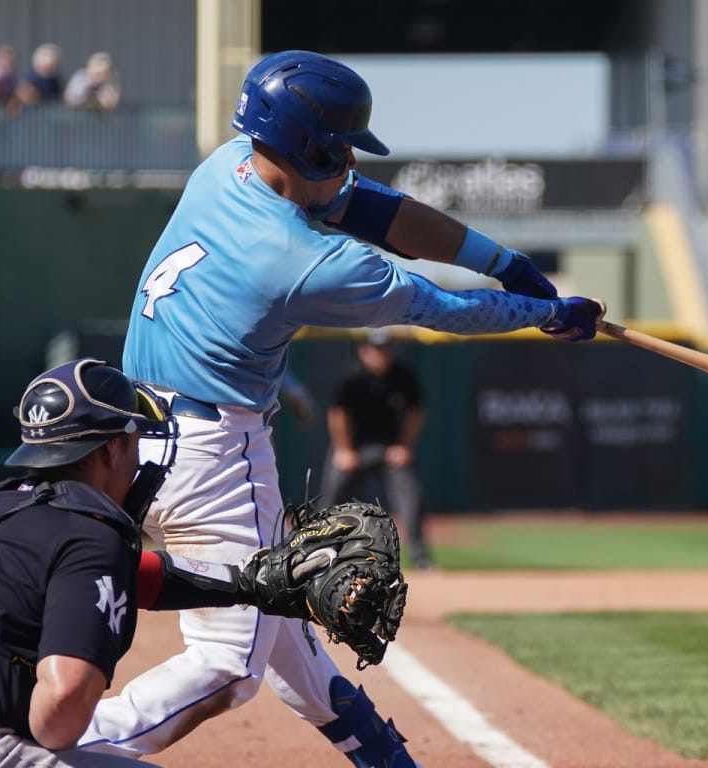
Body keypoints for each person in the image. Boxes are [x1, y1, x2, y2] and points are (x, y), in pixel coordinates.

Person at [86, 50, 604, 766]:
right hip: (213, 453)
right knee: (229, 667)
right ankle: (50, 749)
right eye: (339, 147)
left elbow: (378, 210)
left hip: (134, 437)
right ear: (309, 146)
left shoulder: (229, 162)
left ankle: (386, 760)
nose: (348, 162)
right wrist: (538, 313)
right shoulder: (309, 260)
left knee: (282, 622)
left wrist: (504, 260)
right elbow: (442, 309)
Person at [0, 358, 307, 768]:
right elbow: (62, 711)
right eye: (135, 441)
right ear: (111, 448)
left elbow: (128, 581)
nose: (139, 458)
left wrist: (248, 584)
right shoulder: (91, 529)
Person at [321, 330, 430, 569]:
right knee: (330, 499)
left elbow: (415, 412)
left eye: (385, 349)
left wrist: (404, 446)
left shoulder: (402, 375)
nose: (381, 355)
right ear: (364, 351)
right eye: (376, 349)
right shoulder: (351, 376)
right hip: (354, 446)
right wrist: (344, 450)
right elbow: (337, 415)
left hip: (389, 447)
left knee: (411, 495)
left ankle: (420, 557)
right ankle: (319, 553)